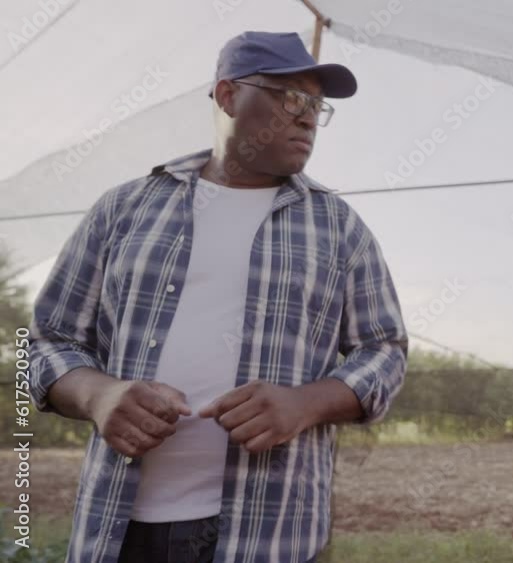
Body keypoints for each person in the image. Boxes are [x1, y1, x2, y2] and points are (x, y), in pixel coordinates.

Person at [28, 31, 407, 563]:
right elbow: (48, 340)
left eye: (316, 107)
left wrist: (304, 404)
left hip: (271, 535)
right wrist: (99, 396)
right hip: (114, 530)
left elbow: (385, 350)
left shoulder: (340, 228)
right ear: (228, 95)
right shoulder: (125, 210)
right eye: (292, 98)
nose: (306, 118)